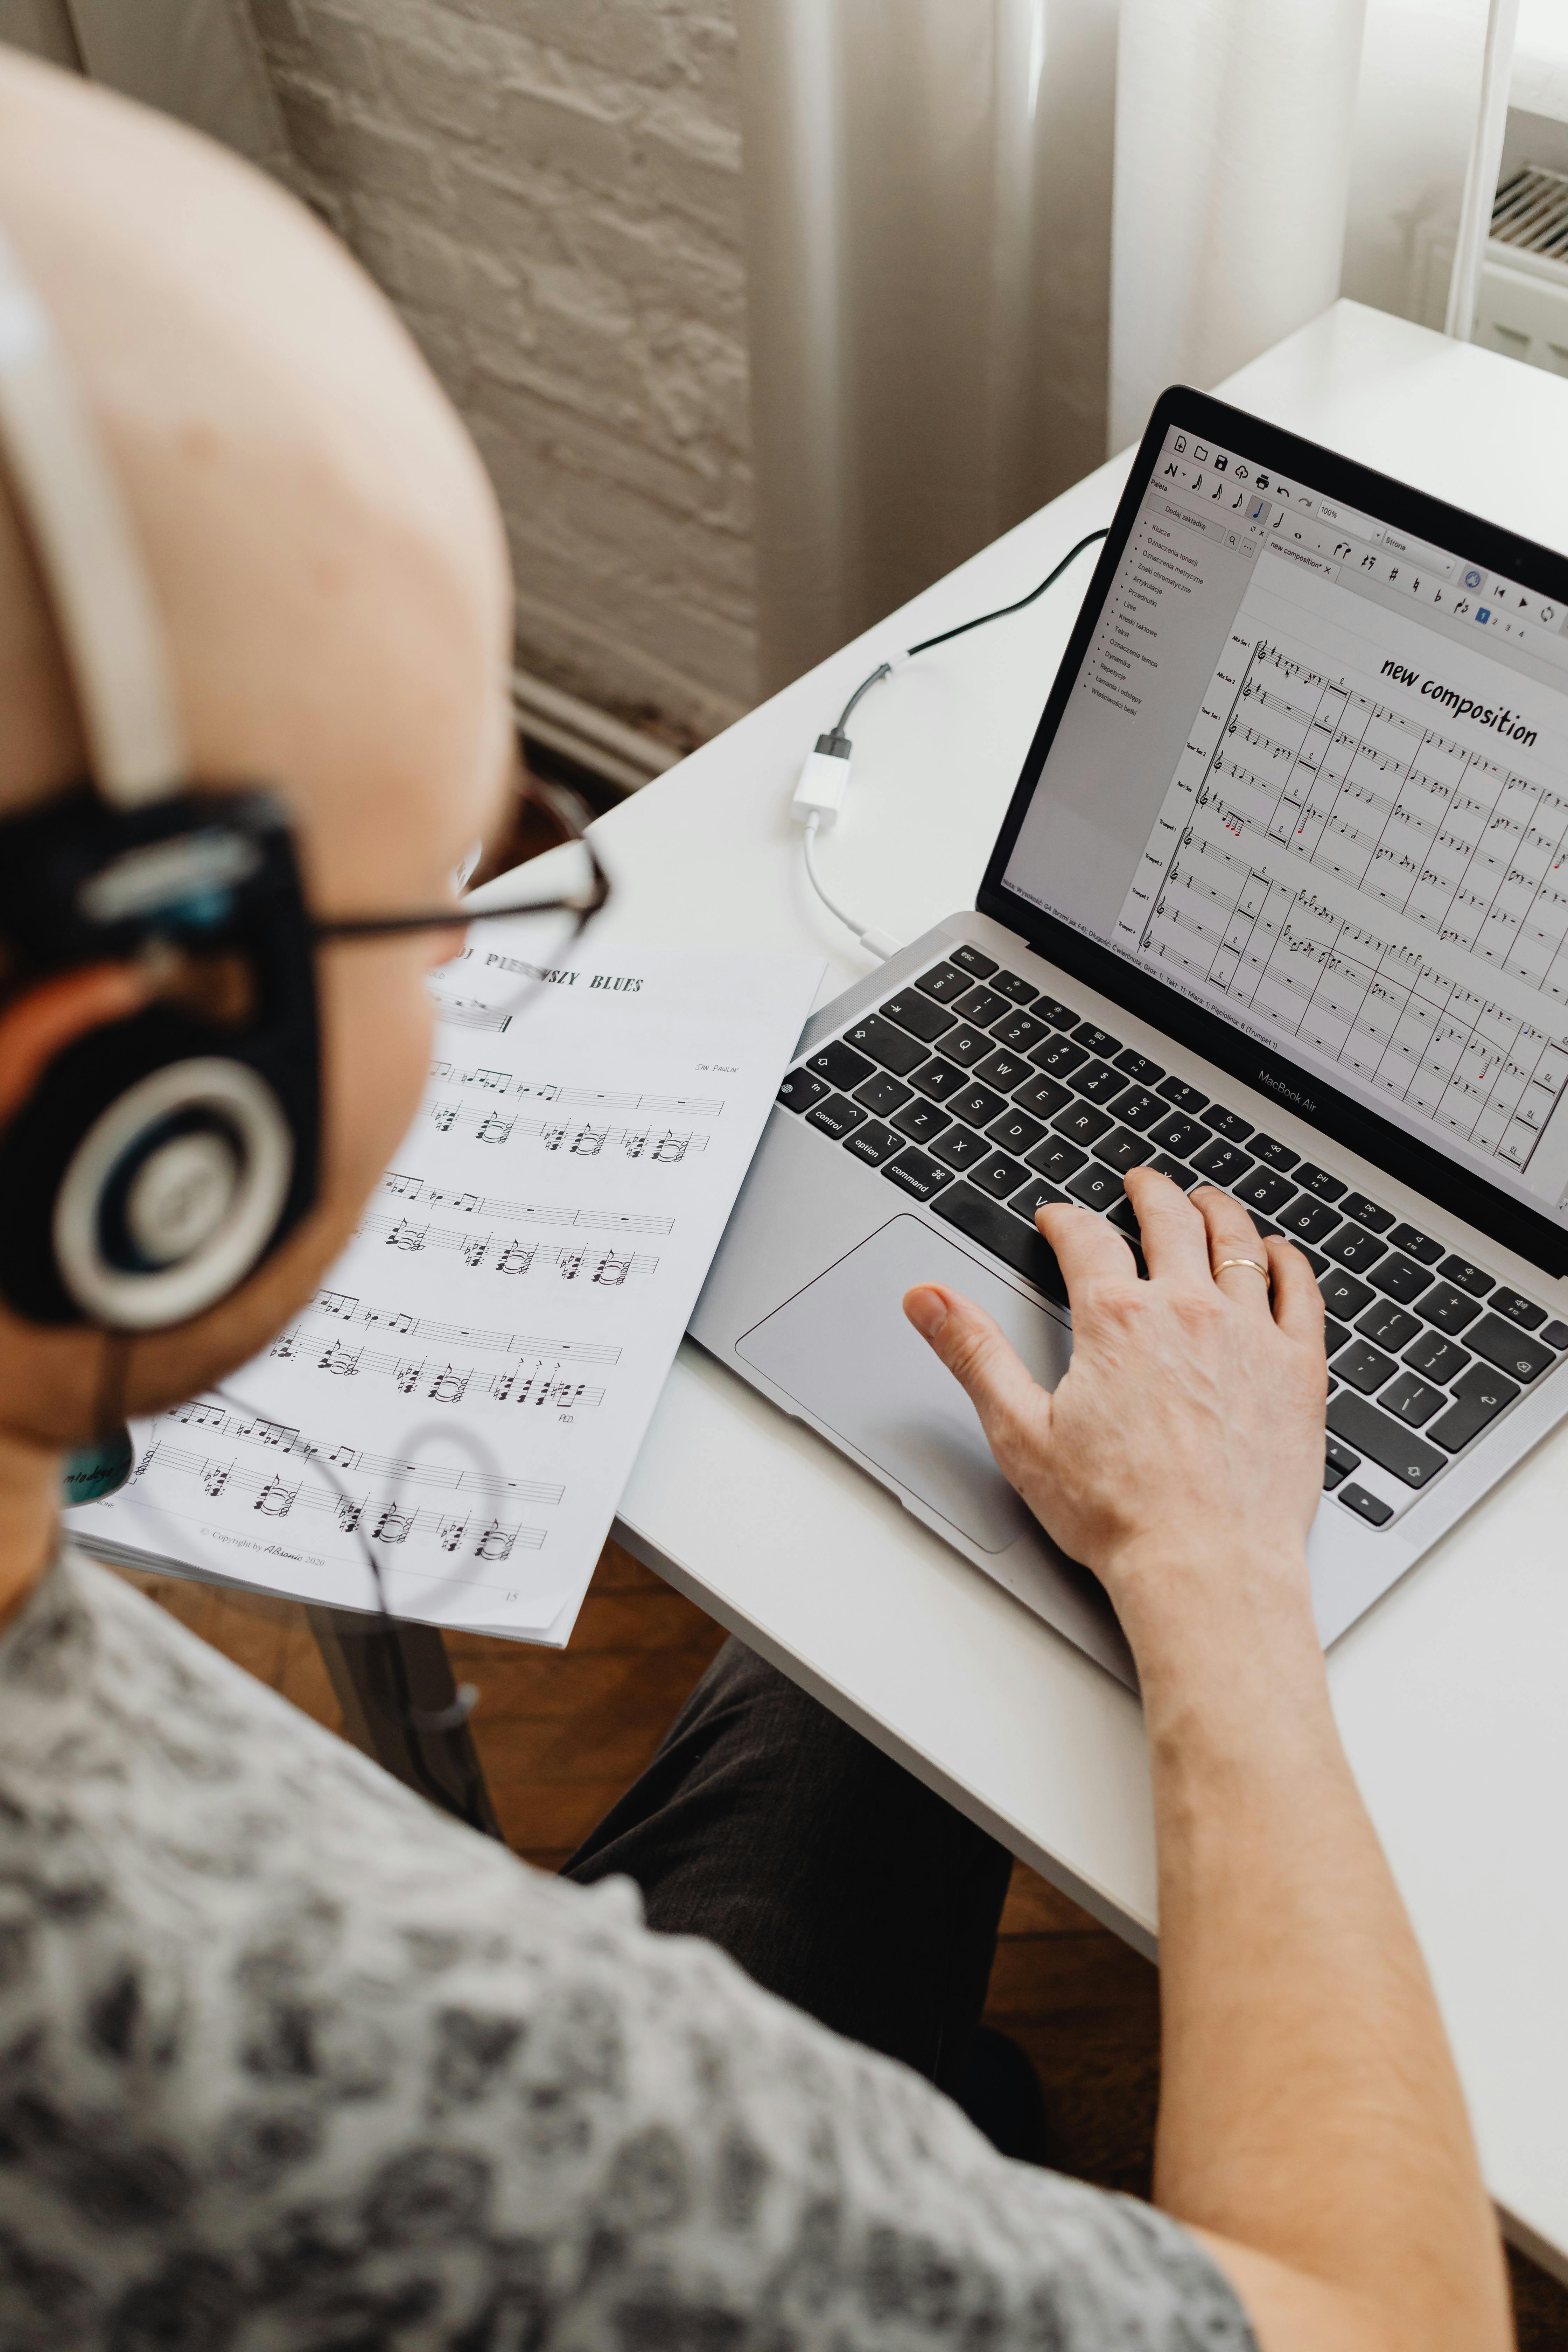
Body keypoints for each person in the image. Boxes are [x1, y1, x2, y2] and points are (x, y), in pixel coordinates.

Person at [0, 46, 1514, 2352]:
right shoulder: (291, 2046)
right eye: (442, 899)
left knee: (891, 1645)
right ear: (132, 1128)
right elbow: (1397, 2325)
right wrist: (1215, 1576)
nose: (472, 951)